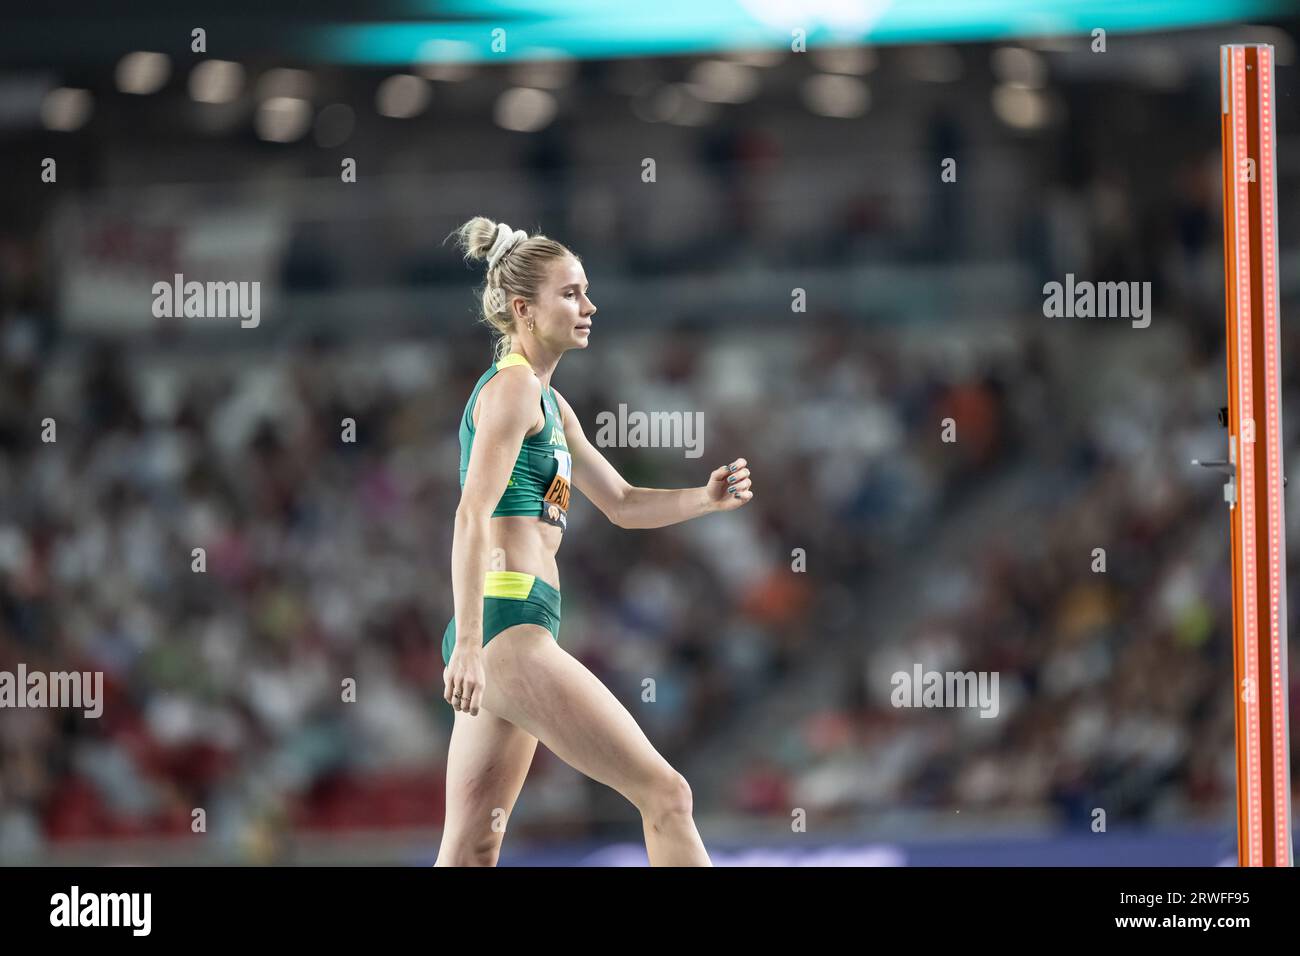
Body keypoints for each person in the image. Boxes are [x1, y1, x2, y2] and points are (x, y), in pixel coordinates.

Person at [435, 217, 754, 866]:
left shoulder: (552, 405)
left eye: (586, 292)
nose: (590, 306)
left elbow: (624, 503)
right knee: (666, 794)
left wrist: (704, 497)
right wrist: (468, 644)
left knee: (472, 849)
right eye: (572, 293)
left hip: (512, 628)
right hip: (505, 627)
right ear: (524, 309)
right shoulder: (513, 388)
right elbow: (471, 515)